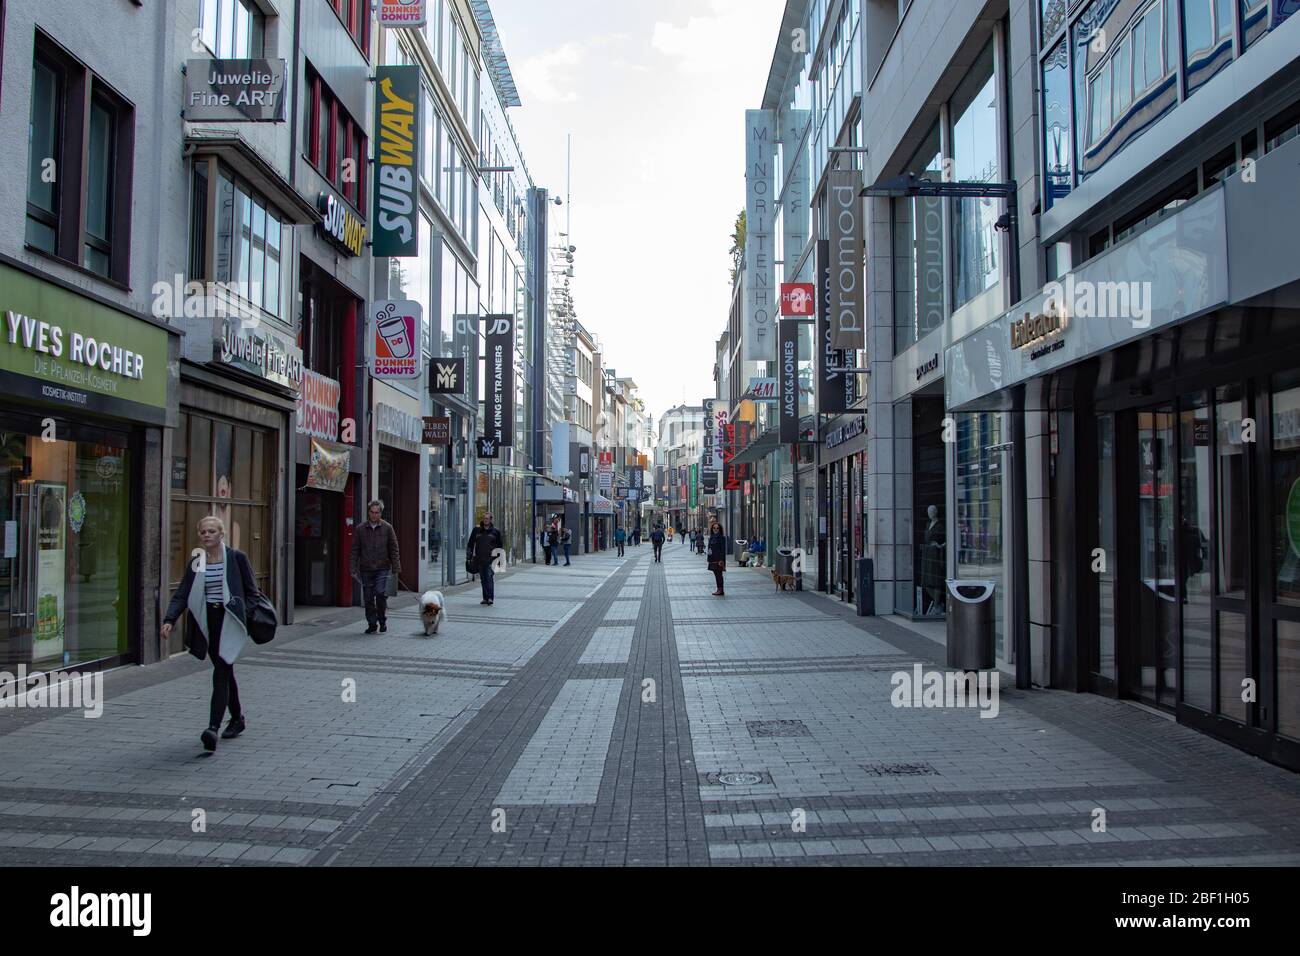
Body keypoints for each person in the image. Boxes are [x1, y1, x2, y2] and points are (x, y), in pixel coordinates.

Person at [161, 515, 257, 752]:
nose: (207, 535)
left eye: (212, 531)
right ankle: (237, 718)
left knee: (222, 671)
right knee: (225, 670)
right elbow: (183, 593)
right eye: (203, 532)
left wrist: (243, 614)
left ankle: (212, 728)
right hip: (208, 621)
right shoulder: (197, 561)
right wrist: (169, 620)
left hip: (230, 622)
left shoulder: (236, 558)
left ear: (221, 534)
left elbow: (252, 593)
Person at [350, 500, 401, 634]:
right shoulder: (360, 529)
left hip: (382, 567)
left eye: (376, 513)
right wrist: (352, 568)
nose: (374, 515)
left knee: (379, 593)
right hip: (366, 567)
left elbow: (394, 548)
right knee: (368, 598)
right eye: (372, 512)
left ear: (380, 513)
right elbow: (355, 549)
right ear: (368, 512)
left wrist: (396, 567)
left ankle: (382, 619)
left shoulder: (387, 528)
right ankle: (372, 623)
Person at [468, 512, 504, 605]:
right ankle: (485, 598)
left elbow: (500, 547)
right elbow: (471, 543)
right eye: (484, 518)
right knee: (483, 579)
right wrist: (470, 555)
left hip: (490, 560)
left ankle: (490, 598)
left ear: (491, 520)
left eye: (487, 518)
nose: (485, 520)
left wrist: (500, 560)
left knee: (489, 578)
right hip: (479, 559)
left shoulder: (496, 532)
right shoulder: (477, 530)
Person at [707, 519, 727, 596]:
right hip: (712, 559)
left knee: (719, 575)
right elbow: (709, 549)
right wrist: (708, 559)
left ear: (720, 529)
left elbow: (722, 550)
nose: (715, 529)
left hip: (718, 560)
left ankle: (720, 589)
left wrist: (722, 560)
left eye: (717, 528)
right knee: (716, 575)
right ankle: (719, 588)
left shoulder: (721, 538)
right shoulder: (711, 537)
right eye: (714, 528)